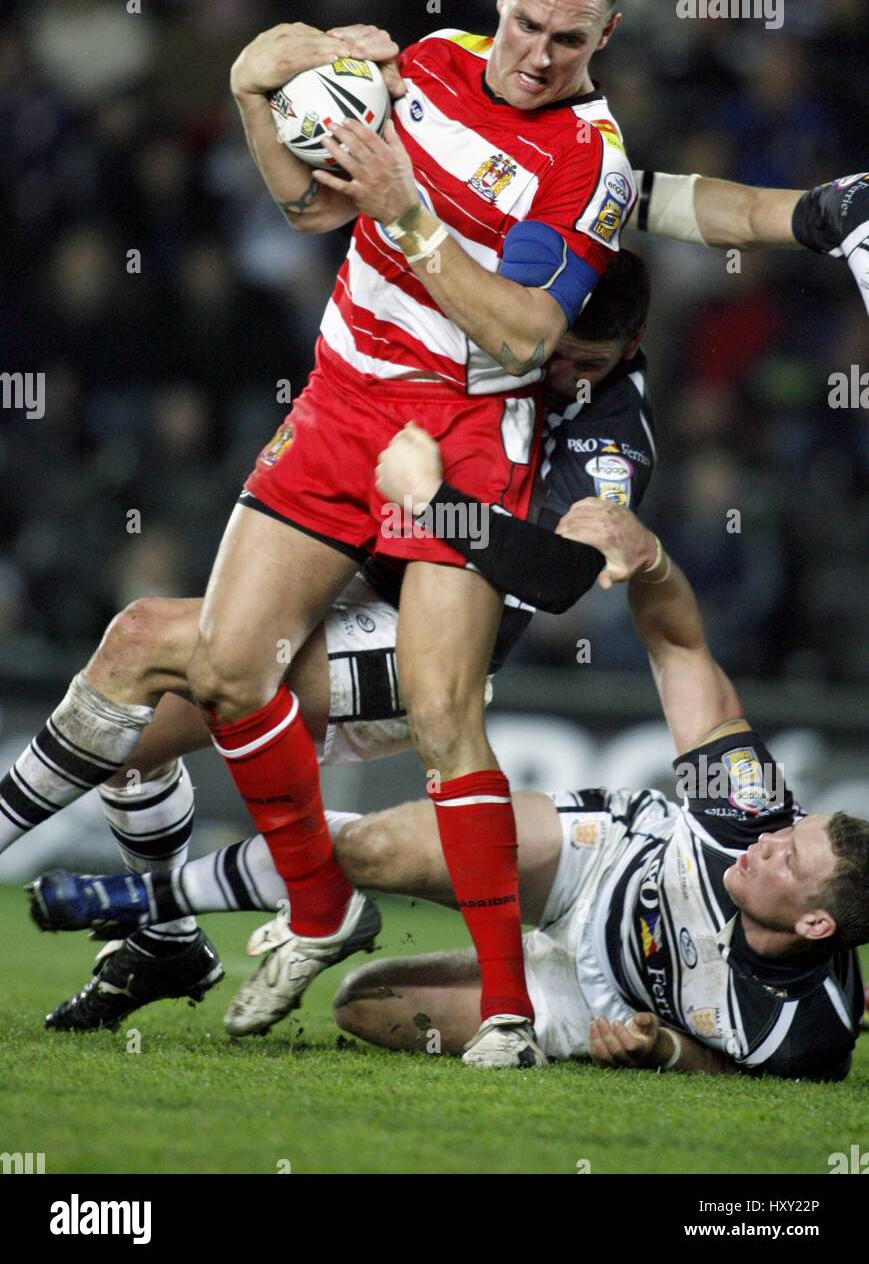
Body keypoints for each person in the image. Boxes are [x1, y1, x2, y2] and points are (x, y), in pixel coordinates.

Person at [6, 167, 865, 1033]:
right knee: (127, 741)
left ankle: (288, 921)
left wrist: (435, 505)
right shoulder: (498, 311)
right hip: (342, 589)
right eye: (558, 348)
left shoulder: (608, 436)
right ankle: (169, 938)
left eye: (587, 365)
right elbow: (662, 196)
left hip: (425, 650)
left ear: (631, 346)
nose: (558, 373)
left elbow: (559, 577)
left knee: (151, 642)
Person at [176, 0, 637, 1067]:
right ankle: (319, 905)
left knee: (441, 716)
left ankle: (504, 1015)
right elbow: (305, 209)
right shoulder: (423, 65)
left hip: (469, 432)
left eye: (565, 38)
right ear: (499, 0)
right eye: (526, 23)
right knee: (227, 669)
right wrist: (253, 89)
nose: (537, 53)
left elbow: (527, 331)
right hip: (340, 403)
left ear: (602, 36)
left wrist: (410, 210)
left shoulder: (592, 161)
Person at [30, 502, 869, 1079]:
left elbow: (732, 1062)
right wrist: (650, 561)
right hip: (598, 864)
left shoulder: (812, 1035)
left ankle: (518, 983)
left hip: (592, 1001)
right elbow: (684, 655)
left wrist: (659, 1053)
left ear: (814, 922)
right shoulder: (748, 807)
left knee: (366, 1006)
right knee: (369, 848)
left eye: (786, 856)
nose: (769, 836)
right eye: (781, 831)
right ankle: (140, 899)